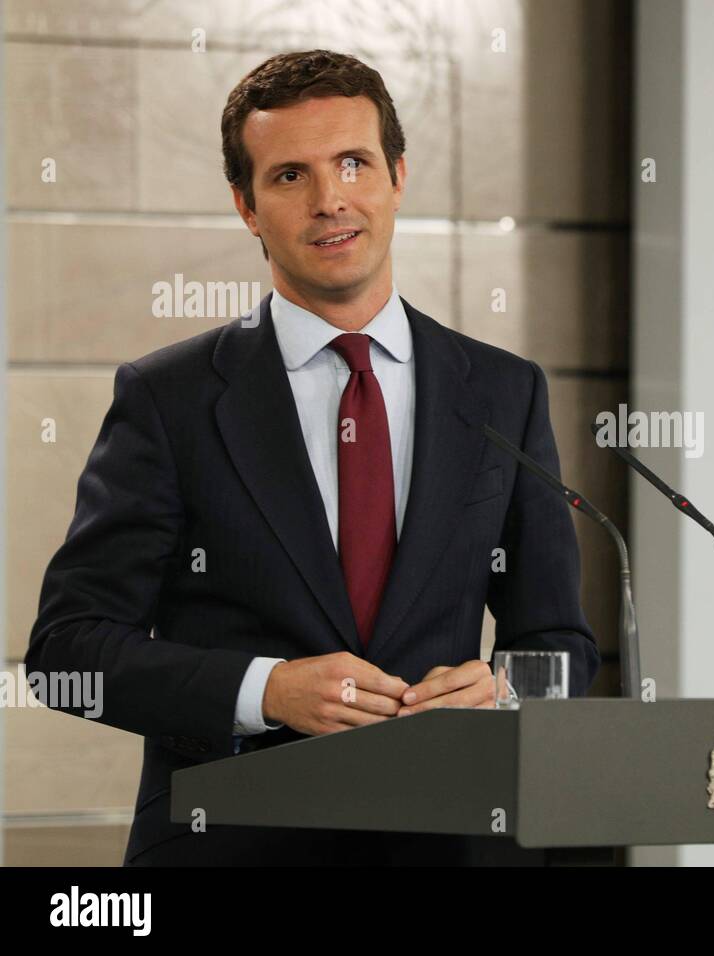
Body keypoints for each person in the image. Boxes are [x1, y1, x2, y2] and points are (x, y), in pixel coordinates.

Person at [25, 49, 600, 866]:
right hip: (231, 847)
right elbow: (68, 652)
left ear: (398, 177)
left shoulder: (504, 393)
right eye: (290, 176)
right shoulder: (171, 399)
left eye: (353, 164)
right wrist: (265, 690)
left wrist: (506, 691)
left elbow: (562, 644)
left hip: (453, 840)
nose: (331, 200)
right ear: (246, 207)